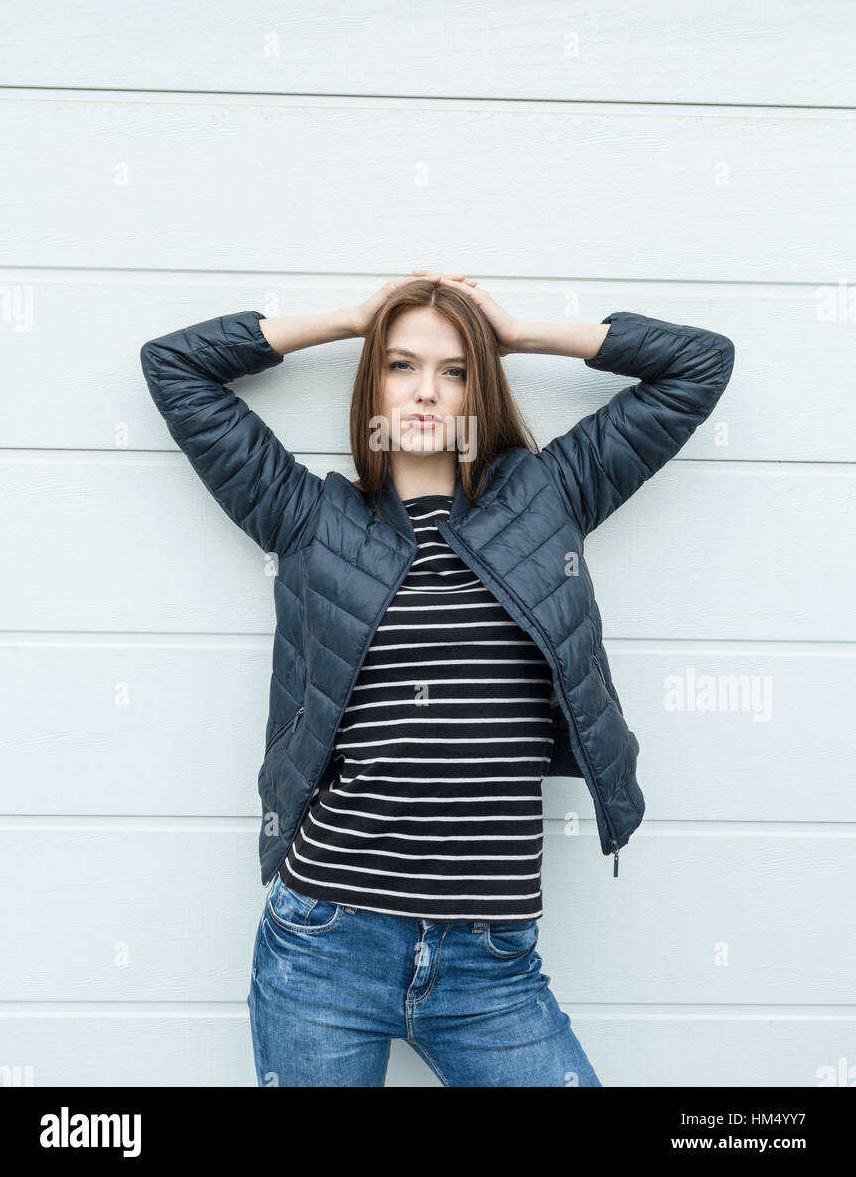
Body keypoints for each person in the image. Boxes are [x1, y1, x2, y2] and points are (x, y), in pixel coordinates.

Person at [140, 270, 735, 1086]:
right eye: (401, 365)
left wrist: (519, 335)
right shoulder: (309, 517)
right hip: (325, 944)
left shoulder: (547, 497)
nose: (426, 391)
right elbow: (173, 367)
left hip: (490, 964)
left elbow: (701, 365)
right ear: (372, 385)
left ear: (480, 391)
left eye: (455, 372)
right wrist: (355, 319)